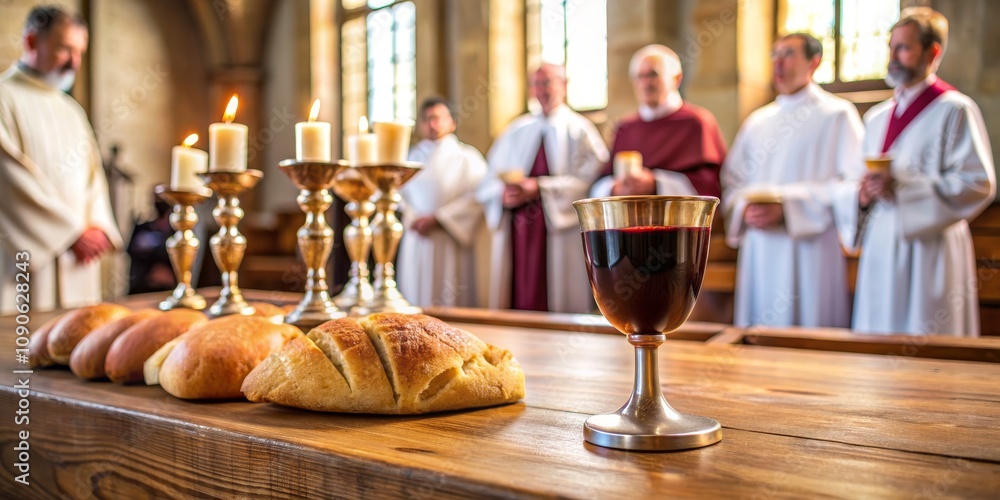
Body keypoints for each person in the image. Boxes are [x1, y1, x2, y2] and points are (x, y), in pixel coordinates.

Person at [833, 7, 995, 336]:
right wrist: (861, 194)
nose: (893, 57)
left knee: (929, 332)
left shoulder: (955, 108)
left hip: (930, 243)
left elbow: (978, 183)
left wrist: (906, 188)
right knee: (877, 336)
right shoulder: (877, 117)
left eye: (903, 48)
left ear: (932, 52)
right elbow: (853, 179)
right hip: (881, 239)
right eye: (891, 48)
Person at [721, 33, 864, 328]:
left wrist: (789, 208)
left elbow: (852, 185)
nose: (778, 62)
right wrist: (744, 209)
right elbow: (732, 183)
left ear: (814, 61)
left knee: (809, 334)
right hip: (760, 247)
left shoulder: (837, 115)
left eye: (787, 54)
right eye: (774, 55)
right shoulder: (757, 121)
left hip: (810, 247)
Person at [0, 6, 123, 314]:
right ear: (31, 42)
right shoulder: (3, 97)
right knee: (20, 354)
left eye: (80, 51)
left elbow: (94, 177)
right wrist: (69, 233)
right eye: (65, 48)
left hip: (78, 259)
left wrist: (97, 226)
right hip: (25, 258)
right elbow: (7, 176)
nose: (74, 62)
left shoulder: (71, 110)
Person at [476, 63, 609, 313]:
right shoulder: (517, 130)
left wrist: (539, 188)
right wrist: (502, 194)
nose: (542, 89)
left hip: (557, 223)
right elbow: (488, 179)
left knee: (557, 292)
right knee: (517, 289)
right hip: (519, 226)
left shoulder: (580, 130)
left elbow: (590, 180)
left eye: (548, 82)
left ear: (564, 85)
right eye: (537, 84)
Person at [590, 44, 726, 199]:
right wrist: (614, 188)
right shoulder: (625, 127)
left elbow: (710, 185)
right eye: (639, 77)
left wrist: (656, 183)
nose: (646, 83)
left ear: (677, 78)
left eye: (653, 75)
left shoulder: (697, 122)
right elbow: (601, 180)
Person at [397, 97, 487, 308]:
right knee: (414, 297)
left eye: (438, 118)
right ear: (420, 125)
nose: (433, 124)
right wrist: (413, 218)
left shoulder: (467, 157)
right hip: (417, 236)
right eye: (427, 119)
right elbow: (399, 195)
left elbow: (478, 197)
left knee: (450, 293)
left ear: (452, 122)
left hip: (449, 236)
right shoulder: (409, 158)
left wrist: (439, 218)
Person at [126, 199, 176, 295]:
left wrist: (172, 276)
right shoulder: (143, 227)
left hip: (167, 290)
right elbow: (130, 250)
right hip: (140, 288)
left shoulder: (174, 232)